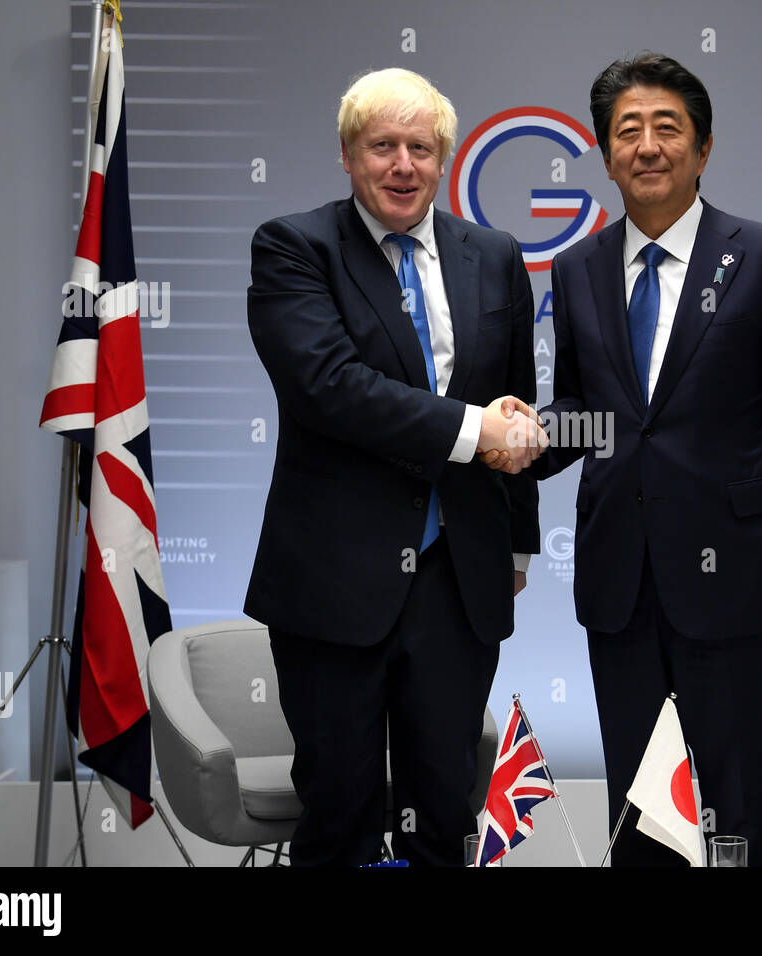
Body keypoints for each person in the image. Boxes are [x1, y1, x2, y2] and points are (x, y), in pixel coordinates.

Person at [485, 52, 762, 866]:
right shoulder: (575, 269)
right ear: (606, 157)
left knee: (735, 806)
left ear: (704, 149)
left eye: (666, 128)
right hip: (621, 580)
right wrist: (532, 438)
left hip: (740, 577)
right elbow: (594, 417)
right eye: (627, 131)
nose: (647, 146)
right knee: (638, 811)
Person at [244, 67, 546, 866]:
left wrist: (516, 545)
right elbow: (330, 388)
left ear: (444, 157)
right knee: (340, 818)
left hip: (460, 582)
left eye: (420, 146)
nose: (402, 164)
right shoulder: (294, 246)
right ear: (348, 156)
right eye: (383, 146)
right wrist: (474, 427)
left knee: (445, 817)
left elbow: (513, 407)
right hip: (333, 582)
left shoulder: (496, 255)